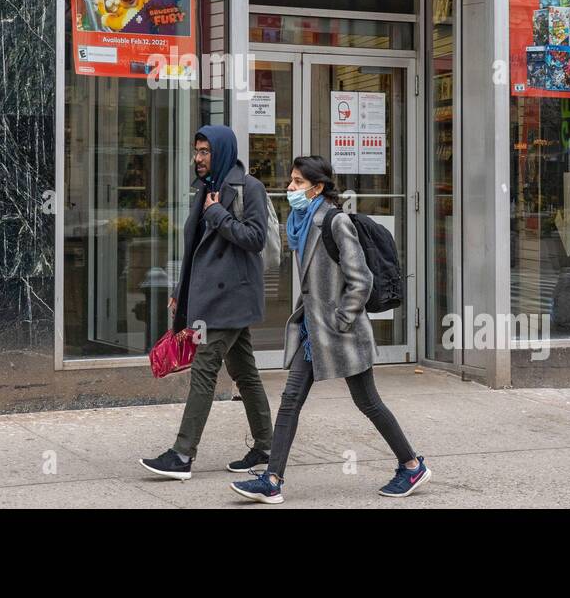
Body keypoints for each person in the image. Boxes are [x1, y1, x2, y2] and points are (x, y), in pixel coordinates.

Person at [231, 155, 429, 504]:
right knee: (291, 399)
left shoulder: (334, 223)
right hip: (312, 331)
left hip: (342, 333)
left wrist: (340, 319)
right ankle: (272, 479)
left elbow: (361, 280)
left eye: (297, 182)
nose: (289, 188)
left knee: (368, 401)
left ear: (317, 187)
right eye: (290, 180)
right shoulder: (301, 221)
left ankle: (411, 465)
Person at [139, 124, 274, 480]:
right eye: (196, 151)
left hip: (231, 297)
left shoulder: (249, 188)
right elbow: (195, 248)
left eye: (204, 152)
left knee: (204, 370)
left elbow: (256, 238)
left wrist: (219, 215)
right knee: (244, 372)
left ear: (221, 152)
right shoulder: (206, 189)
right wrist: (180, 291)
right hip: (211, 296)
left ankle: (182, 455)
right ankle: (267, 446)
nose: (198, 158)